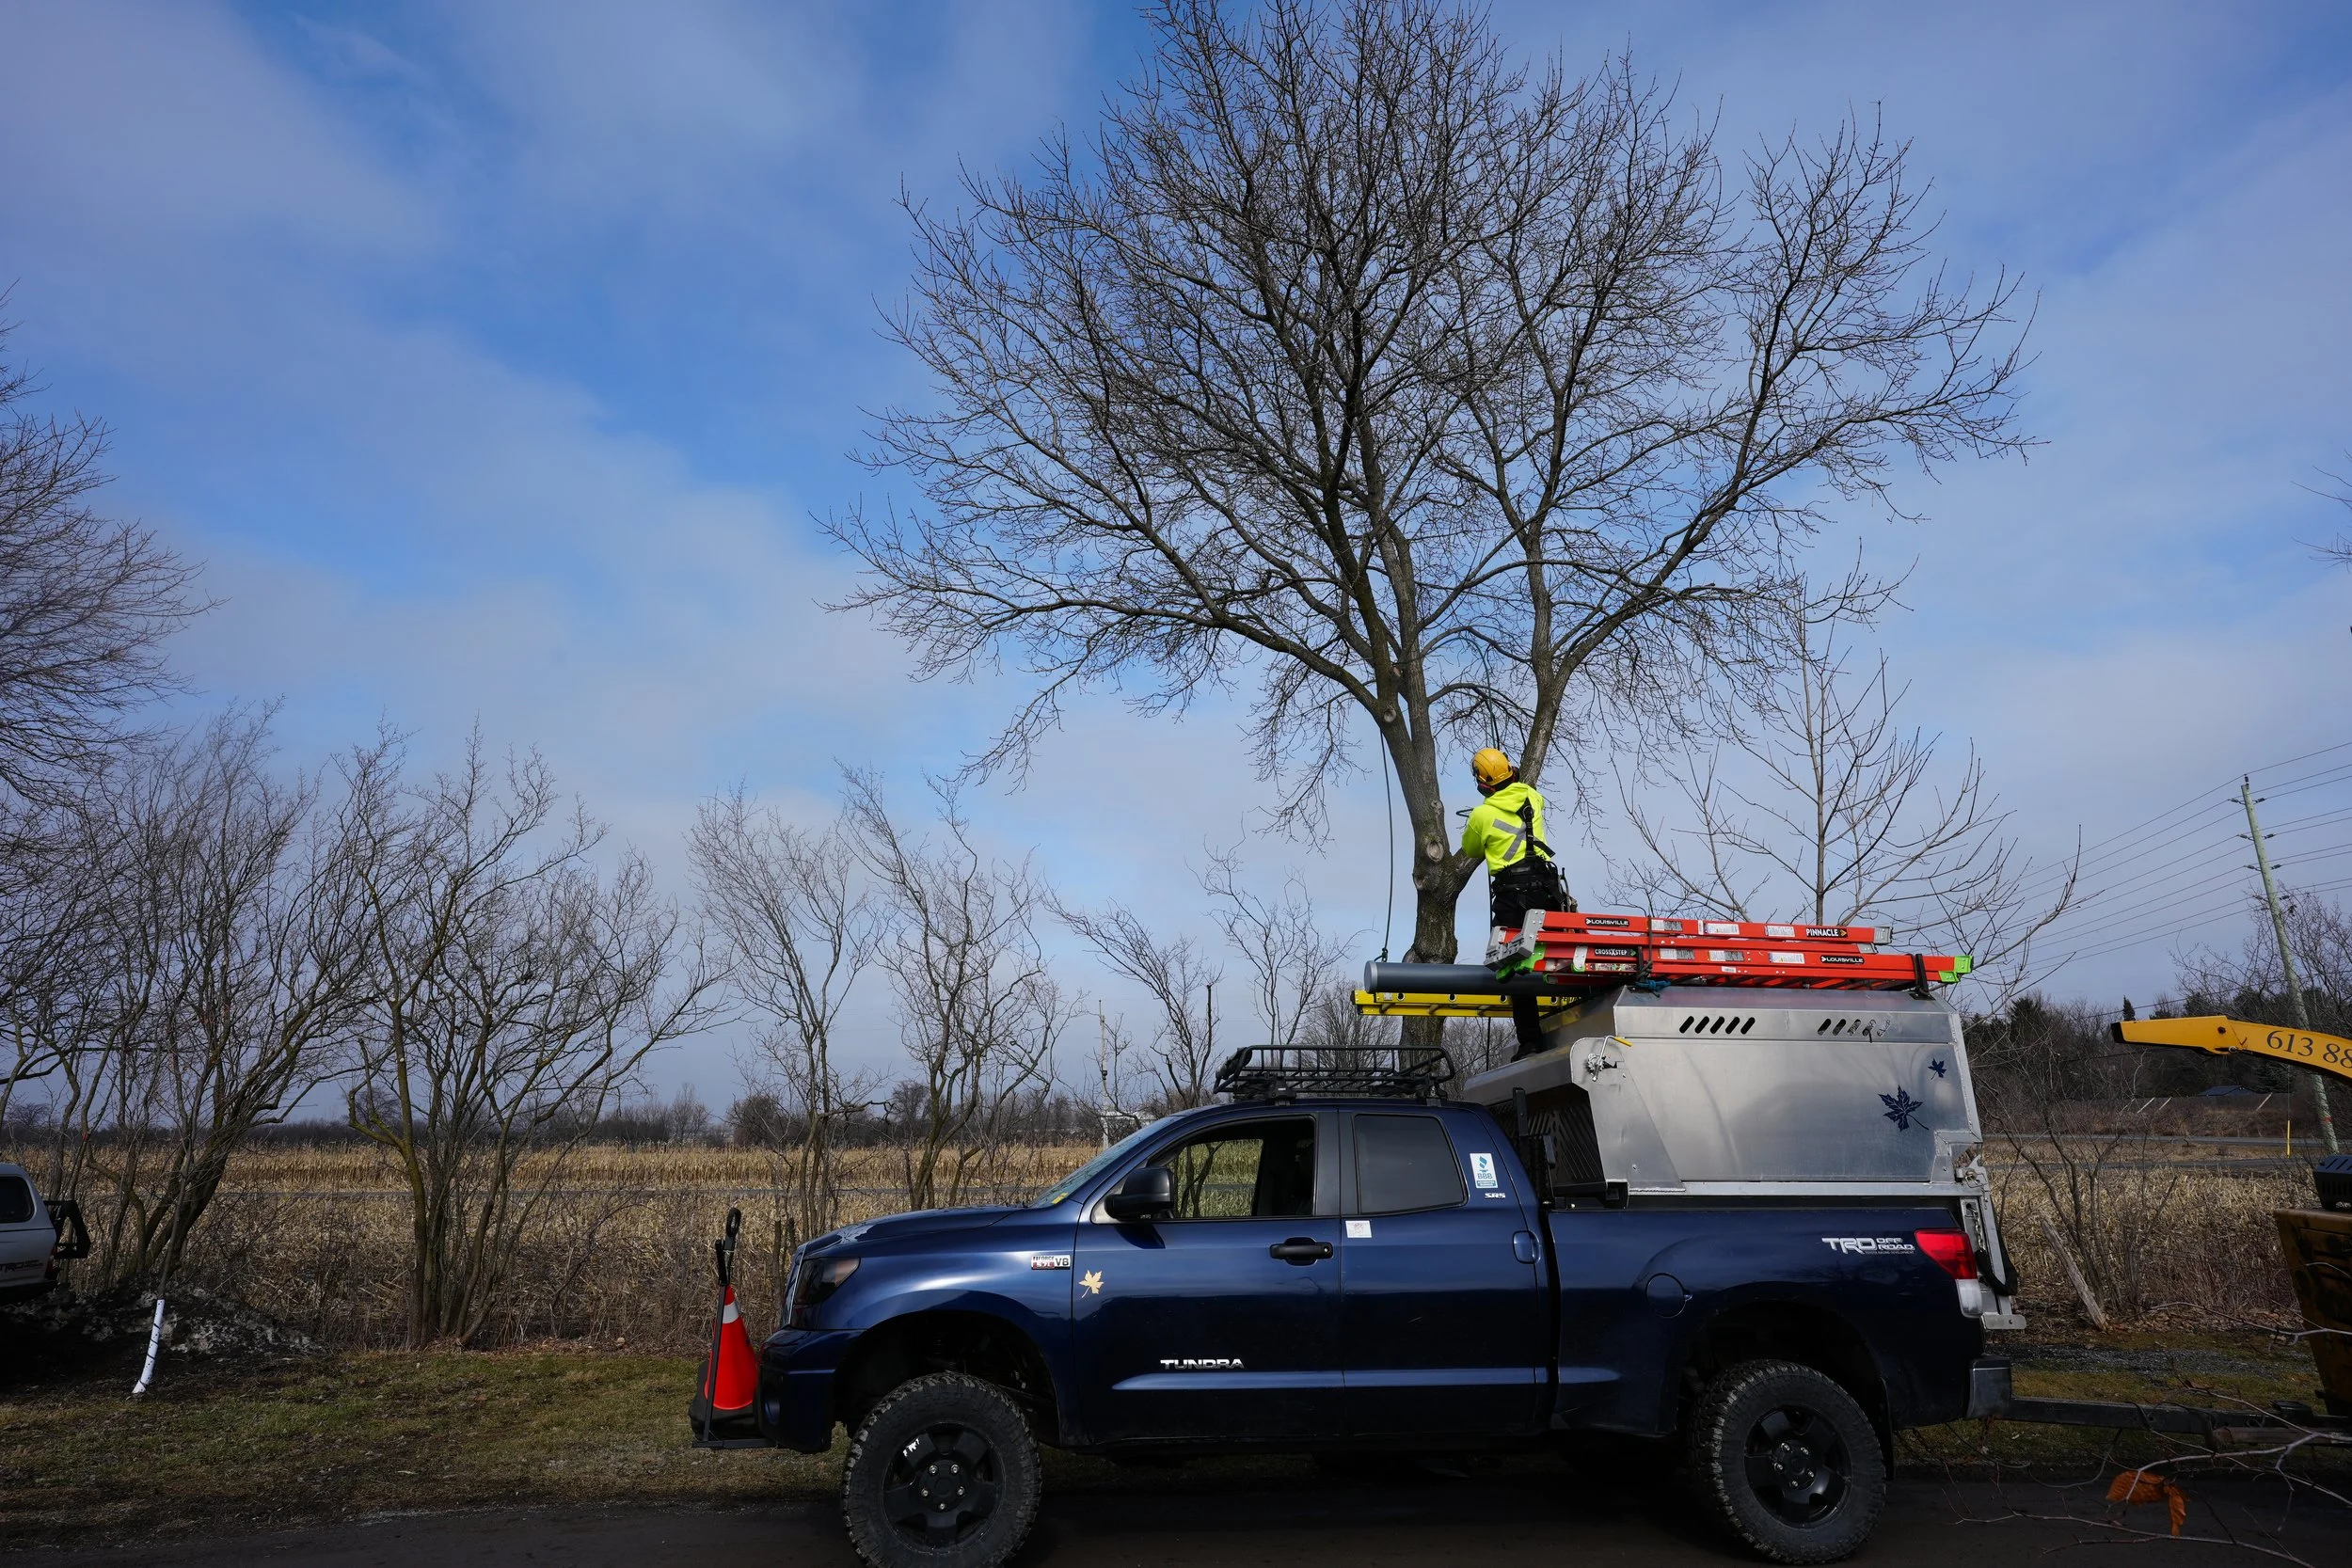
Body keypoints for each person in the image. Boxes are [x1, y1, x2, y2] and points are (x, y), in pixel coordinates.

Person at [1459, 748, 1574, 953]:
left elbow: (1471, 850)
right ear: (1512, 771)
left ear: (1484, 785)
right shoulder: (1532, 796)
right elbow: (1532, 797)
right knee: (1554, 949)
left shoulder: (1481, 815)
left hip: (1511, 898)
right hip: (1546, 890)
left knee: (1503, 954)